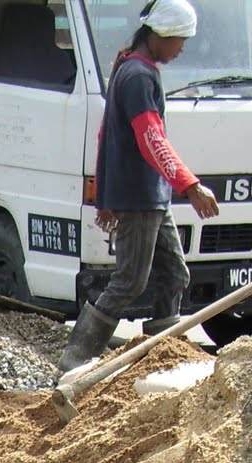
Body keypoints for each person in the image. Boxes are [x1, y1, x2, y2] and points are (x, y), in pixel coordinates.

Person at [59, 0, 221, 372]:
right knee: (131, 279)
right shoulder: (137, 76)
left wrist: (104, 193)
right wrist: (190, 185)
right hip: (139, 196)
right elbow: (151, 138)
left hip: (152, 196)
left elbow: (106, 135)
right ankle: (76, 358)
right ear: (161, 35)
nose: (181, 49)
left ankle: (162, 359)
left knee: (174, 274)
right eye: (180, 40)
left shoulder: (132, 68)